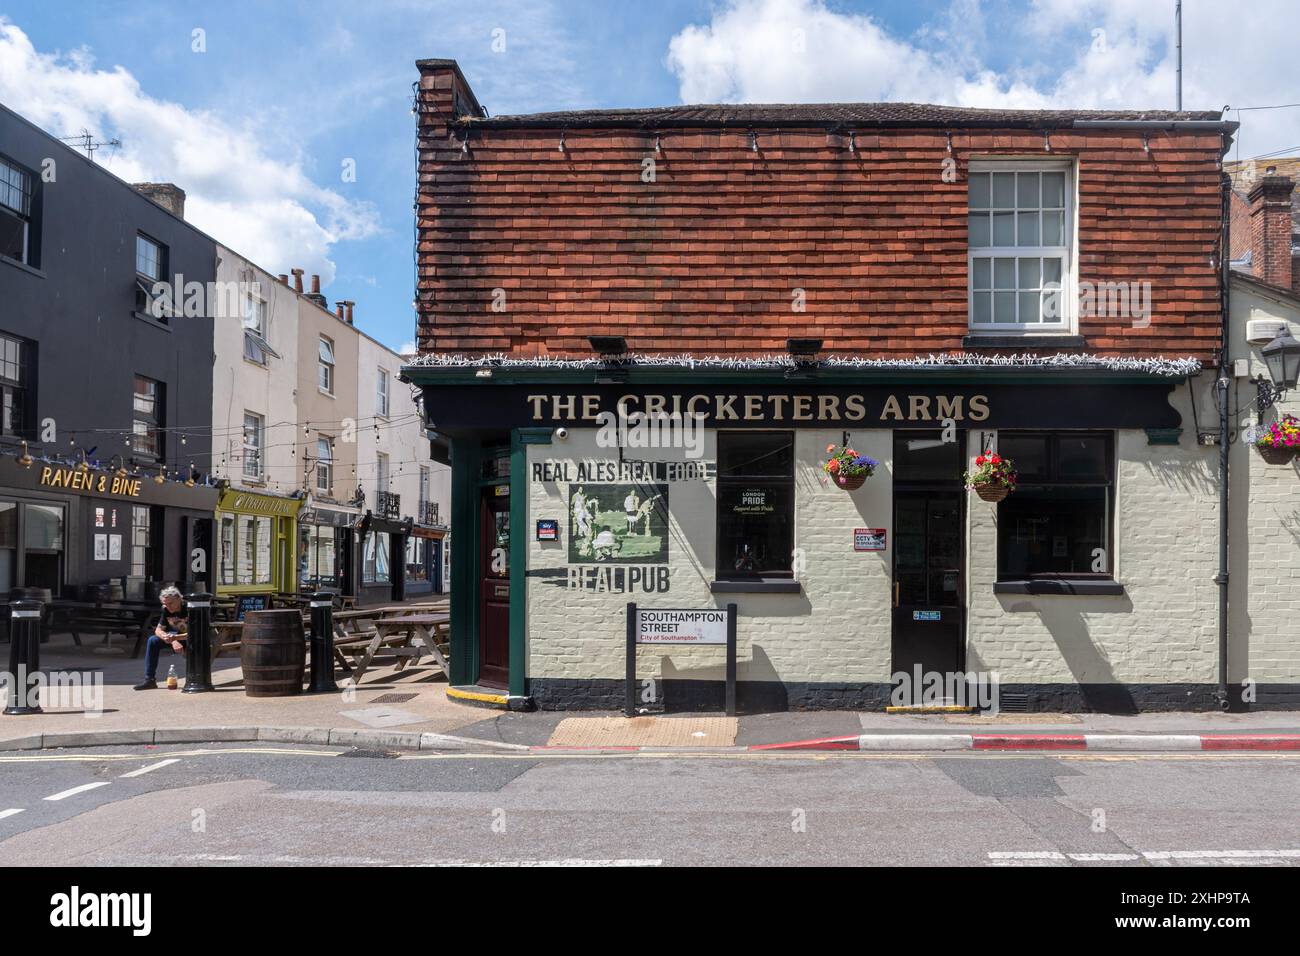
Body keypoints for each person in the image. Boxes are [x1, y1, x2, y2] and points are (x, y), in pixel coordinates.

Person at [134, 586, 188, 690]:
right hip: (175, 638)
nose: (168, 607)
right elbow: (158, 630)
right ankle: (149, 680)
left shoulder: (189, 608)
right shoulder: (166, 609)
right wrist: (172, 640)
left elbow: (195, 634)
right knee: (153, 640)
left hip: (190, 639)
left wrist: (176, 638)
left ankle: (193, 679)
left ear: (178, 598)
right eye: (165, 604)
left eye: (170, 603)